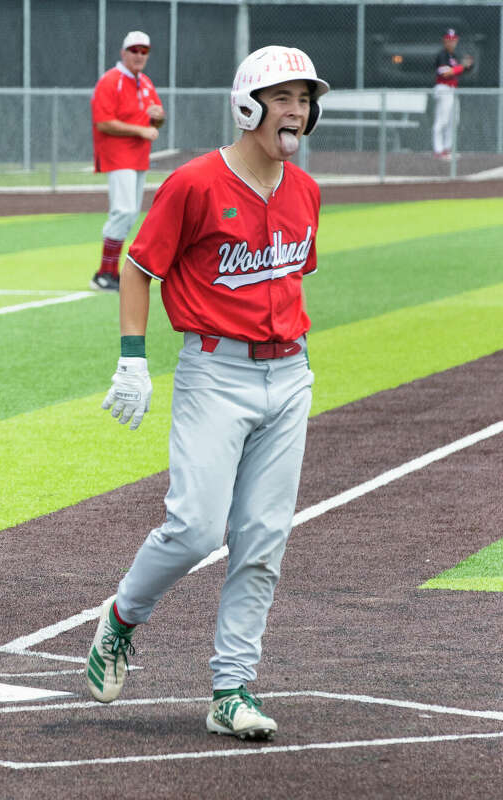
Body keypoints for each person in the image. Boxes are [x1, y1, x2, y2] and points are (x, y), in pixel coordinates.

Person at [85, 45, 327, 743]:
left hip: (289, 375)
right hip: (215, 374)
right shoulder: (193, 183)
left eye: (305, 100)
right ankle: (123, 619)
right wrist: (133, 361)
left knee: (261, 539)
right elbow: (137, 268)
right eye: (284, 97)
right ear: (249, 104)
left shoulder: (305, 192)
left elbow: (292, 275)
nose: (298, 112)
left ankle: (231, 689)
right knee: (194, 526)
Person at [89, 31, 164, 292]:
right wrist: (140, 130)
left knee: (130, 213)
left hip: (138, 156)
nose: (139, 55)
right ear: (123, 53)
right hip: (117, 155)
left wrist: (158, 118)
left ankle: (109, 272)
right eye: (134, 50)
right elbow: (104, 122)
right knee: (122, 210)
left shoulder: (145, 82)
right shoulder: (110, 81)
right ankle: (103, 273)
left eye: (144, 51)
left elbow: (156, 121)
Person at [432, 28, 474, 161]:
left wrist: (468, 66)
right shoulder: (442, 55)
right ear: (444, 41)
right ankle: (438, 150)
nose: (452, 43)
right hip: (443, 88)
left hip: (452, 90)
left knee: (453, 121)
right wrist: (462, 66)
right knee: (442, 120)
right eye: (449, 40)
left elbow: (459, 71)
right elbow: (446, 73)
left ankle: (447, 149)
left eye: (454, 40)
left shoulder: (453, 56)